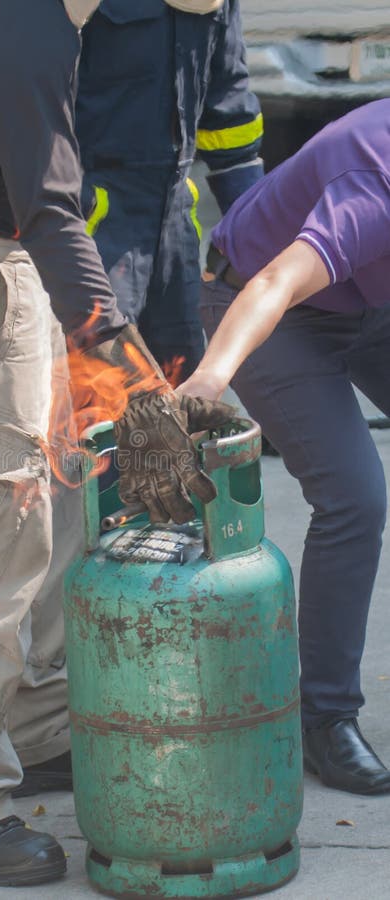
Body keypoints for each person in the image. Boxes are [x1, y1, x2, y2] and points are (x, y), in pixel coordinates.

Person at [0, 0, 232, 887]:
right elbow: (51, 211)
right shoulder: (28, 23)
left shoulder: (39, 13)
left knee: (57, 503)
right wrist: (143, 380)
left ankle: (27, 726)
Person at [177, 99, 390, 795]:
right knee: (354, 498)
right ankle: (326, 718)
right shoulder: (373, 187)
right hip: (272, 310)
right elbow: (276, 282)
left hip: (369, 299)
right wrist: (211, 378)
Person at [75, 0, 264, 385]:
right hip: (98, 219)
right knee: (99, 387)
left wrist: (256, 225)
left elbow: (227, 102)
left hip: (174, 223)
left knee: (180, 385)